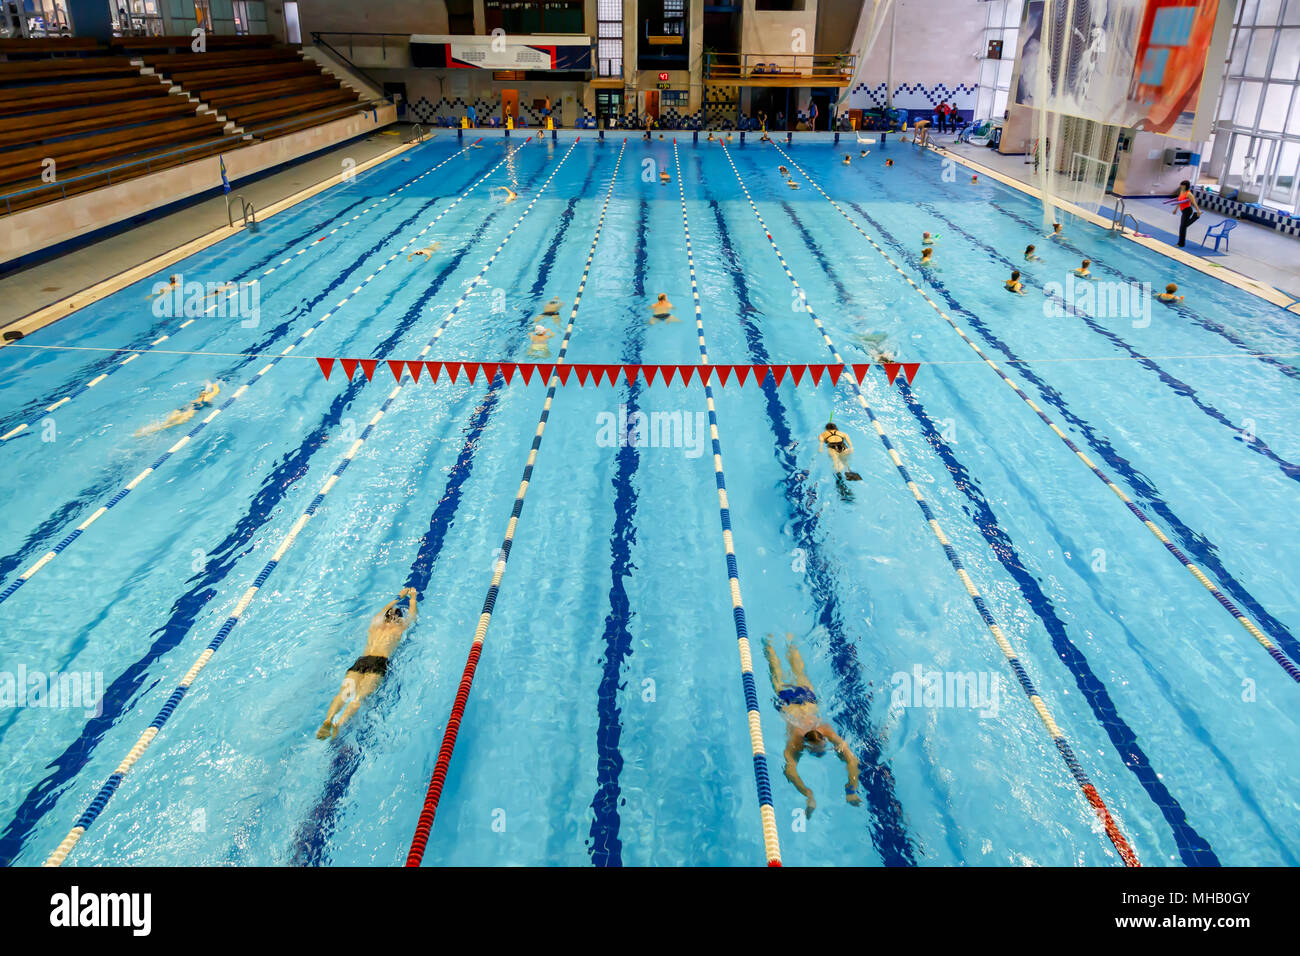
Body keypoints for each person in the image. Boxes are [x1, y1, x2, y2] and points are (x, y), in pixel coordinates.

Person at [762, 634, 862, 816]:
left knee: (787, 673)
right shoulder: (801, 739)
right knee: (787, 673)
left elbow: (791, 769)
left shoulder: (815, 733)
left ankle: (772, 643)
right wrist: (849, 788)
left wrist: (809, 793)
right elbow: (850, 759)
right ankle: (785, 642)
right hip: (792, 701)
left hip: (803, 701)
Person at [317, 589, 418, 739]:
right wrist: (413, 597)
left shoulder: (375, 626)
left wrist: (398, 597)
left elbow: (382, 611)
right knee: (358, 699)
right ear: (399, 619)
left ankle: (328, 720)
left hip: (361, 661)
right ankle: (339, 723)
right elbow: (412, 615)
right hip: (379, 663)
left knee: (344, 694)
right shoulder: (399, 628)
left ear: (385, 617)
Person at [136, 382, 220, 436]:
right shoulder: (209, 397)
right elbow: (217, 390)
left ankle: (147, 429)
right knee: (177, 422)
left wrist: (209, 384)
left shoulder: (197, 398)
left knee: (166, 421)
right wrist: (215, 384)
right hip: (192, 410)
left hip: (182, 408)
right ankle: (153, 430)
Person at [1172, 180, 1201, 248]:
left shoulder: (1189, 194)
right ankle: (1195, 216)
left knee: (1182, 227)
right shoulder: (1182, 191)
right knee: (1183, 227)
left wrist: (1198, 211)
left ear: (1185, 186)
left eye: (1182, 185)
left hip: (1187, 211)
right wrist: (1175, 209)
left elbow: (1194, 202)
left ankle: (1181, 243)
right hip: (1183, 210)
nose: (1180, 186)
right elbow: (1179, 201)